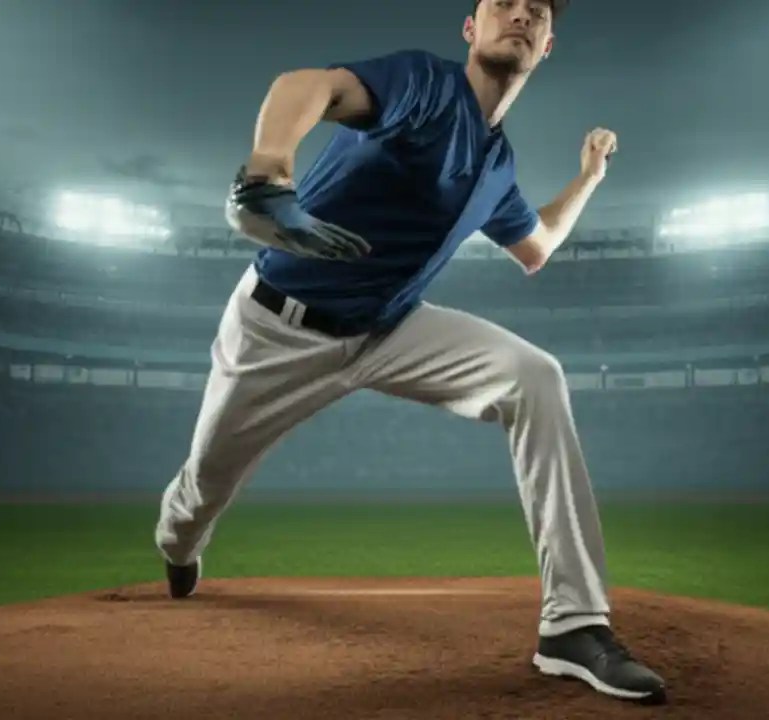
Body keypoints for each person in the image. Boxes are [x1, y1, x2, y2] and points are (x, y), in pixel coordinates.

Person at [155, 0, 666, 703]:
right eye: (504, 2)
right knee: (201, 492)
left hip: (389, 329)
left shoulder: (496, 165)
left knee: (535, 377)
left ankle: (574, 626)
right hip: (276, 331)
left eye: (538, 11)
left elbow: (538, 247)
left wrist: (590, 177)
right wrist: (269, 171)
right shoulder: (424, 86)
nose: (521, 13)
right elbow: (307, 85)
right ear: (471, 28)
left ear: (547, 45)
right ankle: (179, 543)